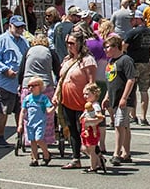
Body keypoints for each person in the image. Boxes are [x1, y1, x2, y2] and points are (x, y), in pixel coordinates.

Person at [53, 29, 96, 169]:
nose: (69, 45)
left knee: (83, 131)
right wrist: (56, 95)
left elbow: (91, 83)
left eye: (71, 43)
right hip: (67, 101)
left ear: (80, 43)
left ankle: (96, 157)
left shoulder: (87, 60)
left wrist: (91, 103)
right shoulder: (67, 59)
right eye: (67, 43)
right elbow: (61, 79)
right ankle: (75, 158)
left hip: (82, 103)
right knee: (72, 130)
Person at [0, 15, 30, 147]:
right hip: (4, 82)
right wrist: (5, 70)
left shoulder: (24, 41)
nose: (20, 29)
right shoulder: (1, 40)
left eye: (22, 27)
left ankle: (21, 136)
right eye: (17, 27)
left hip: (20, 82)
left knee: (20, 110)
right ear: (9, 26)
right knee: (3, 110)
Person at [17, 33, 60, 149]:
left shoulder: (28, 51)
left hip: (28, 84)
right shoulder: (50, 52)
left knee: (28, 113)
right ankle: (47, 138)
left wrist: (20, 84)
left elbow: (21, 70)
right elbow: (58, 70)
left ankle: (29, 138)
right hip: (45, 85)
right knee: (47, 114)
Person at [102, 35, 136, 166]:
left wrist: (124, 98)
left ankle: (116, 153)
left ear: (116, 47)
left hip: (124, 99)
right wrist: (106, 97)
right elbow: (110, 81)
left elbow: (131, 79)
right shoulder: (111, 62)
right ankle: (126, 153)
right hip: (114, 98)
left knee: (119, 125)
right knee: (125, 126)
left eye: (108, 47)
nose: (105, 50)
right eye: (104, 47)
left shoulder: (125, 60)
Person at [123, 12, 150, 126]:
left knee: (132, 90)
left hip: (134, 63)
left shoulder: (132, 32)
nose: (130, 22)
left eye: (132, 19)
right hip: (146, 62)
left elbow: (123, 47)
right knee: (144, 91)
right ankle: (144, 117)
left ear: (138, 19)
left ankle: (133, 115)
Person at [17, 76, 55, 167]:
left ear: (40, 87)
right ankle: (34, 158)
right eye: (29, 86)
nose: (31, 88)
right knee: (32, 141)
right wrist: (20, 124)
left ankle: (46, 154)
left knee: (39, 139)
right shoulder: (27, 98)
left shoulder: (43, 98)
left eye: (34, 86)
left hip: (40, 122)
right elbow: (23, 111)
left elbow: (48, 111)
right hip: (30, 123)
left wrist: (55, 106)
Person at [79, 83, 105, 172]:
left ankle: (93, 166)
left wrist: (91, 121)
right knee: (84, 148)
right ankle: (99, 160)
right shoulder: (88, 104)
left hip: (92, 130)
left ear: (94, 94)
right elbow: (85, 113)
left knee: (91, 149)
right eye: (84, 94)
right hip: (85, 129)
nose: (85, 96)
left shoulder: (95, 105)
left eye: (87, 94)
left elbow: (99, 117)